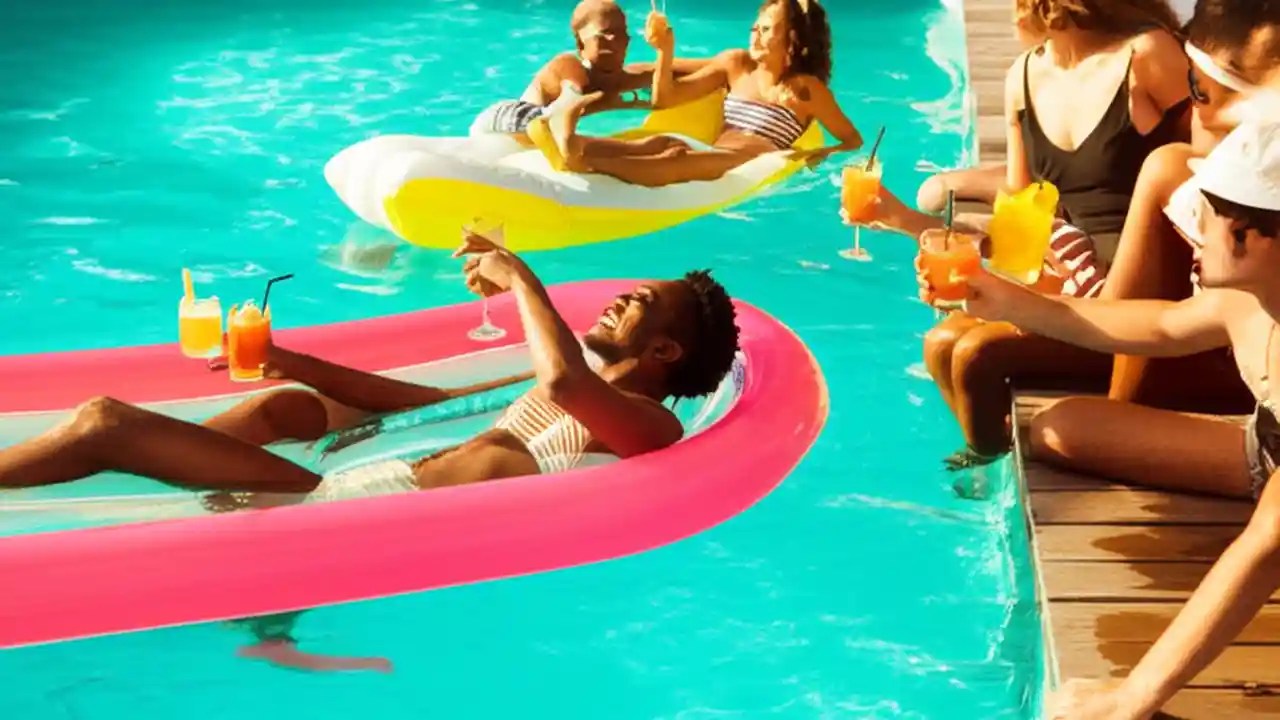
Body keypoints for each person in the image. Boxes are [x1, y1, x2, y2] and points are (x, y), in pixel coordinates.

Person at [0, 233, 741, 499]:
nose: (616, 300)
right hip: (365, 482)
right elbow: (420, 403)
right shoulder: (573, 393)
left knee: (105, 420)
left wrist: (522, 279)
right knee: (286, 404)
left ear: (665, 352)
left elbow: (560, 380)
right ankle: (178, 480)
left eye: (639, 302)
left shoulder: (648, 427)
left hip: (355, 507)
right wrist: (289, 358)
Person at [941, 118, 1280, 503]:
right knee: (1057, 428)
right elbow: (1161, 327)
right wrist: (1004, 300)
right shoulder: (1244, 302)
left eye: (1205, 215)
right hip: (1263, 449)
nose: (1192, 228)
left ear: (1252, 236)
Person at [525, 0, 863, 187]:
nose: (754, 36)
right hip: (715, 151)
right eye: (754, 28)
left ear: (794, 41)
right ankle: (572, 144)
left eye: (766, 30)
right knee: (662, 144)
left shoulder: (807, 90)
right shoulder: (736, 65)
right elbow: (665, 99)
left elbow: (852, 140)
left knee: (676, 158)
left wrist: (817, 154)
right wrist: (664, 51)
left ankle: (584, 162)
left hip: (748, 162)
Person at [470, 0, 708, 140]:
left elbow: (715, 65)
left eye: (621, 36)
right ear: (580, 44)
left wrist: (665, 50)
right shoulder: (567, 66)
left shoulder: (634, 75)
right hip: (507, 121)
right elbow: (565, 111)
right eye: (604, 36)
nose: (615, 43)